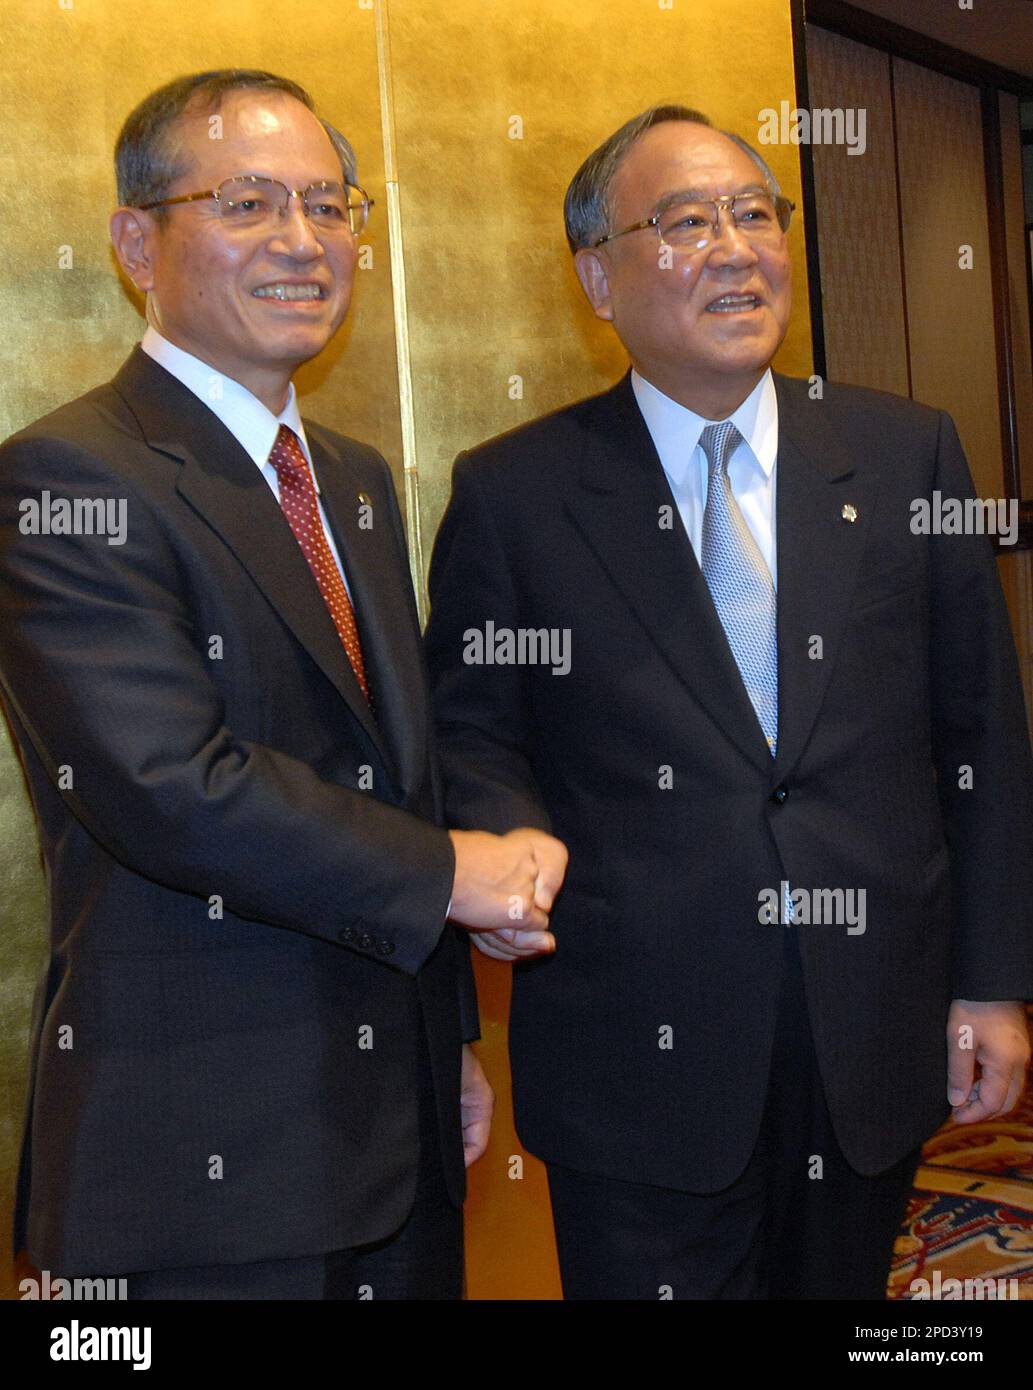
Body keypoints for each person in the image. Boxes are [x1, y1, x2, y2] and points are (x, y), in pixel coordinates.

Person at [425, 105, 1033, 1299]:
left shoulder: (903, 453)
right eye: (687, 222)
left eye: (756, 214)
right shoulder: (515, 491)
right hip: (633, 1039)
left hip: (869, 1017)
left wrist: (991, 979)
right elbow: (472, 730)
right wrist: (506, 836)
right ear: (597, 277)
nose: (735, 246)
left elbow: (982, 737)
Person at [0, 68, 565, 1301]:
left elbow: (397, 769)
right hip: (203, 1152)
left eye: (329, 203)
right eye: (250, 203)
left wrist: (450, 1043)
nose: (303, 241)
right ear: (135, 242)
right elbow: (169, 787)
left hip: (398, 1130)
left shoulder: (348, 476)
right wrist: (453, 876)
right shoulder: (65, 475)